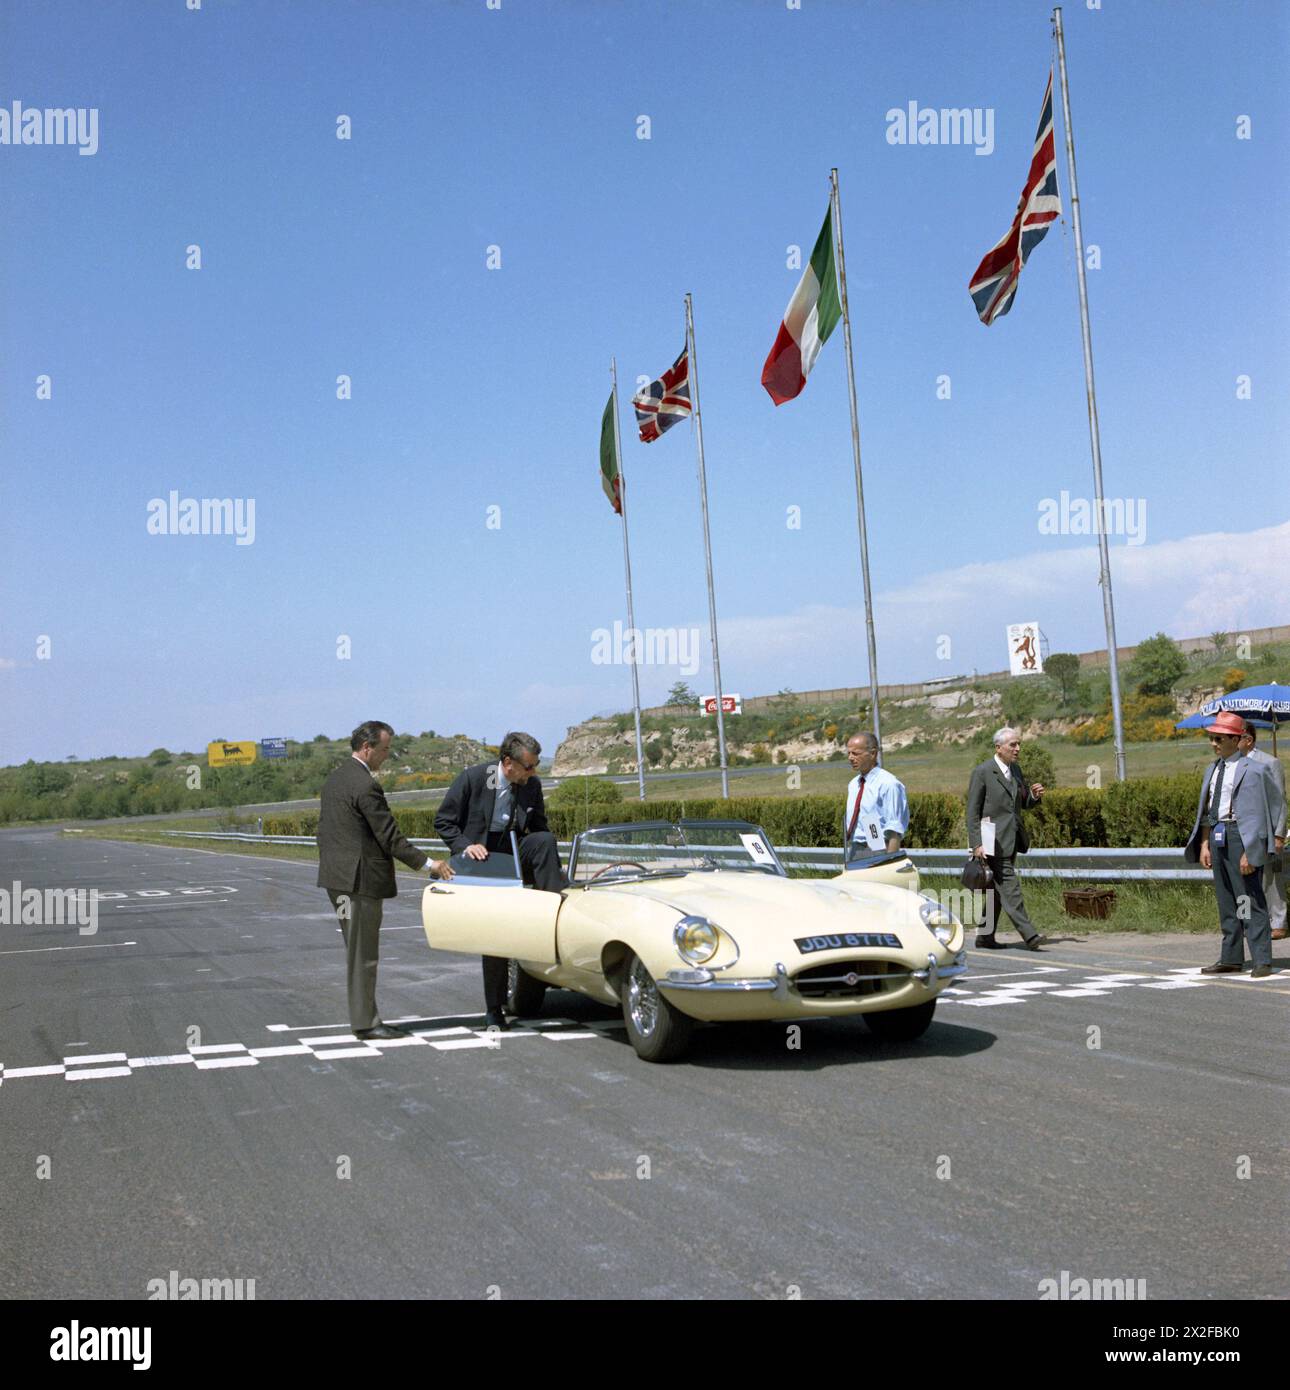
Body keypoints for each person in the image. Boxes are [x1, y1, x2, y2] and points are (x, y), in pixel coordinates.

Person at [317, 721, 453, 1040]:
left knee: (356, 952)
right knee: (363, 955)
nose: (387, 755)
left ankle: (364, 1017)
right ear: (367, 748)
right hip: (359, 881)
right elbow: (389, 835)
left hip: (337, 879)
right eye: (385, 749)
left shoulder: (335, 780)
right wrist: (429, 864)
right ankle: (366, 1023)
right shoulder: (365, 785)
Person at [435, 731, 566, 1029]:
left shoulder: (531, 785)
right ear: (508, 763)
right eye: (529, 767)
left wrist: (552, 869)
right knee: (497, 930)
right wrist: (465, 845)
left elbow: (539, 828)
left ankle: (552, 918)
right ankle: (494, 1008)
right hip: (481, 855)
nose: (534, 773)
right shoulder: (471, 779)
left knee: (545, 840)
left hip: (514, 848)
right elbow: (443, 821)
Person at [1185, 712, 1283, 978]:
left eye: (1219, 739)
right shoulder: (1213, 769)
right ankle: (1231, 957)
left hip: (1243, 836)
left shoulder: (1257, 769)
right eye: (1212, 738)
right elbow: (1207, 810)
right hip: (1218, 835)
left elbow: (1275, 807)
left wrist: (1258, 848)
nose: (1213, 743)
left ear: (1236, 740)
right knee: (1227, 900)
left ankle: (1262, 959)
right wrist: (1205, 843)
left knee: (1250, 900)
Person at [966, 727, 1047, 950]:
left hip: (1011, 839)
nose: (1017, 749)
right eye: (1012, 745)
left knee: (996, 892)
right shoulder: (982, 772)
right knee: (1010, 888)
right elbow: (972, 811)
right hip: (990, 841)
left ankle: (984, 937)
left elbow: (1020, 805)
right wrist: (976, 844)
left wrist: (1033, 797)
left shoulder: (1016, 770)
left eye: (1018, 744)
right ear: (998, 747)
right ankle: (1030, 935)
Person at [1238, 722, 1287, 940]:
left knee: (1270, 879)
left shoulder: (1270, 763)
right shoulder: (1230, 765)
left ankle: (1278, 922)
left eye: (1235, 737)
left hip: (1265, 831)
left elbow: (1280, 801)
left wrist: (1278, 834)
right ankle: (1246, 921)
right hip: (1239, 832)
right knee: (1242, 880)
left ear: (1248, 739)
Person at [843, 732, 908, 859]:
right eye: (849, 753)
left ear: (873, 754)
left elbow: (894, 829)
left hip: (877, 847)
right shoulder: (853, 784)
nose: (850, 758)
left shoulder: (889, 784)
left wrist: (890, 863)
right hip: (855, 848)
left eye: (855, 753)